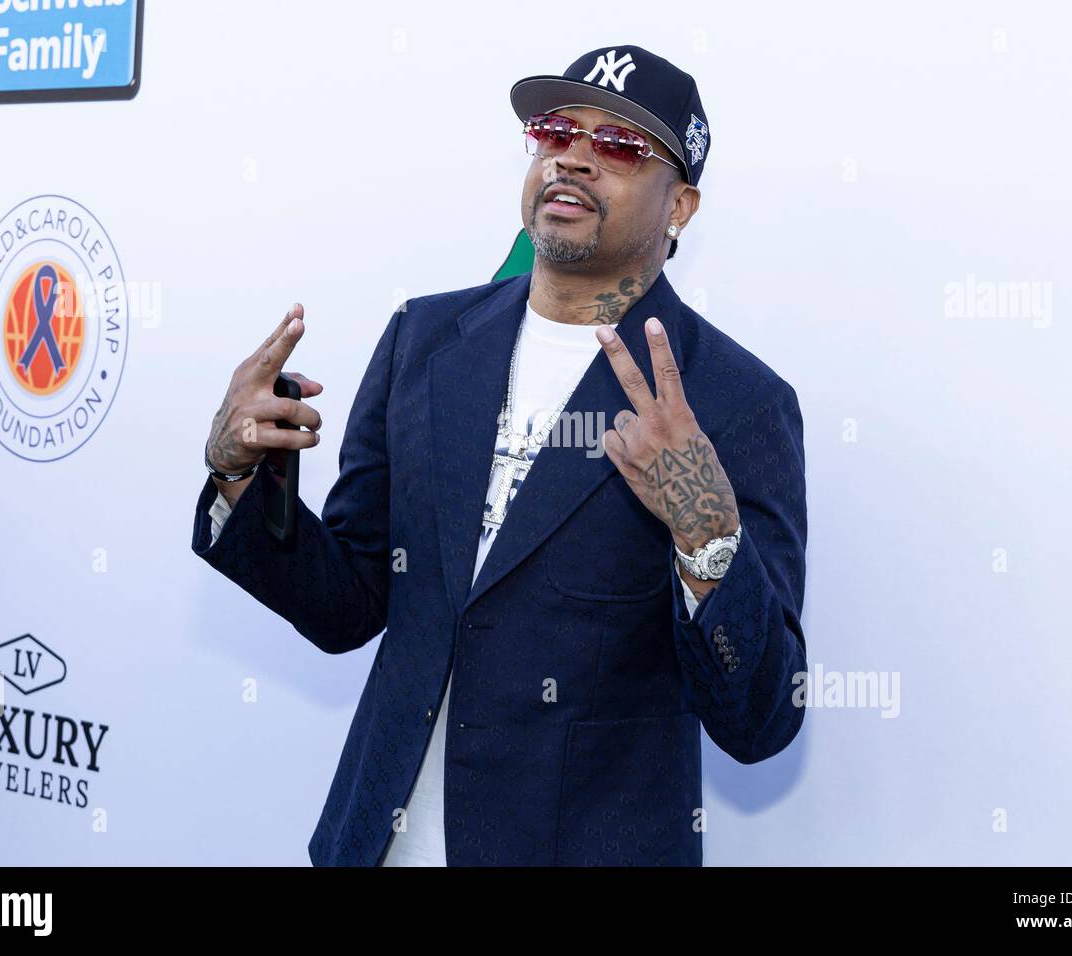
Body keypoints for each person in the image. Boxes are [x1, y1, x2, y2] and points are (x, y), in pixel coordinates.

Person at [192, 45, 808, 866]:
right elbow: (349, 605)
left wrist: (705, 533)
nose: (574, 157)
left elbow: (761, 719)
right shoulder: (423, 339)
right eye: (555, 131)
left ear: (681, 206)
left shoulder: (734, 399)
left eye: (620, 146)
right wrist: (238, 474)